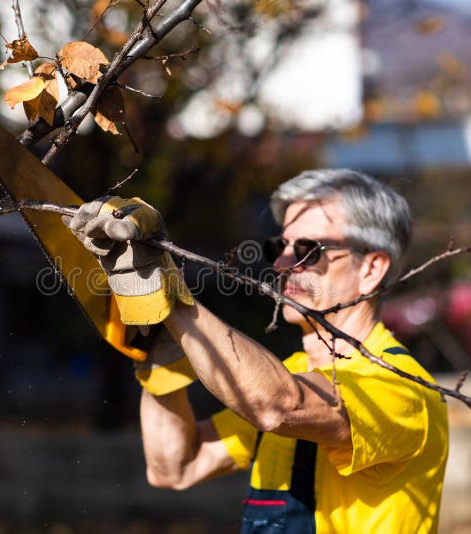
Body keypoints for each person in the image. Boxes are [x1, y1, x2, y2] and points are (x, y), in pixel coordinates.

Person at [65, 169, 449, 533]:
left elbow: (278, 405)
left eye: (307, 250)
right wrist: (160, 350)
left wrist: (168, 296)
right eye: (279, 246)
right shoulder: (293, 371)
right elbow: (176, 466)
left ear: (371, 269)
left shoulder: (404, 389)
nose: (282, 263)